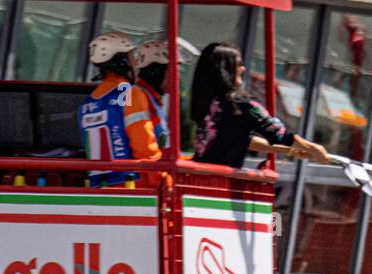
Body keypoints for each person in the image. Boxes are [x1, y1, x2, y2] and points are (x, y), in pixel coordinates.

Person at [190, 42, 330, 169]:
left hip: (197, 178)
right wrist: (315, 149)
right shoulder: (240, 104)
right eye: (238, 64)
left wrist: (286, 150)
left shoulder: (209, 103)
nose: (243, 69)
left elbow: (241, 140)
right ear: (226, 70)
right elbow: (279, 134)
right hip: (219, 184)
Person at [79, 33, 162, 187]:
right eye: (131, 56)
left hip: (98, 188)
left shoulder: (88, 104)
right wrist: (161, 179)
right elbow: (143, 147)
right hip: (132, 187)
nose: (135, 62)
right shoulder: (128, 92)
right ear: (122, 62)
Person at [135, 40, 175, 151]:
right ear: (155, 72)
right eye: (172, 71)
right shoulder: (141, 98)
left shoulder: (150, 98)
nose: (178, 78)